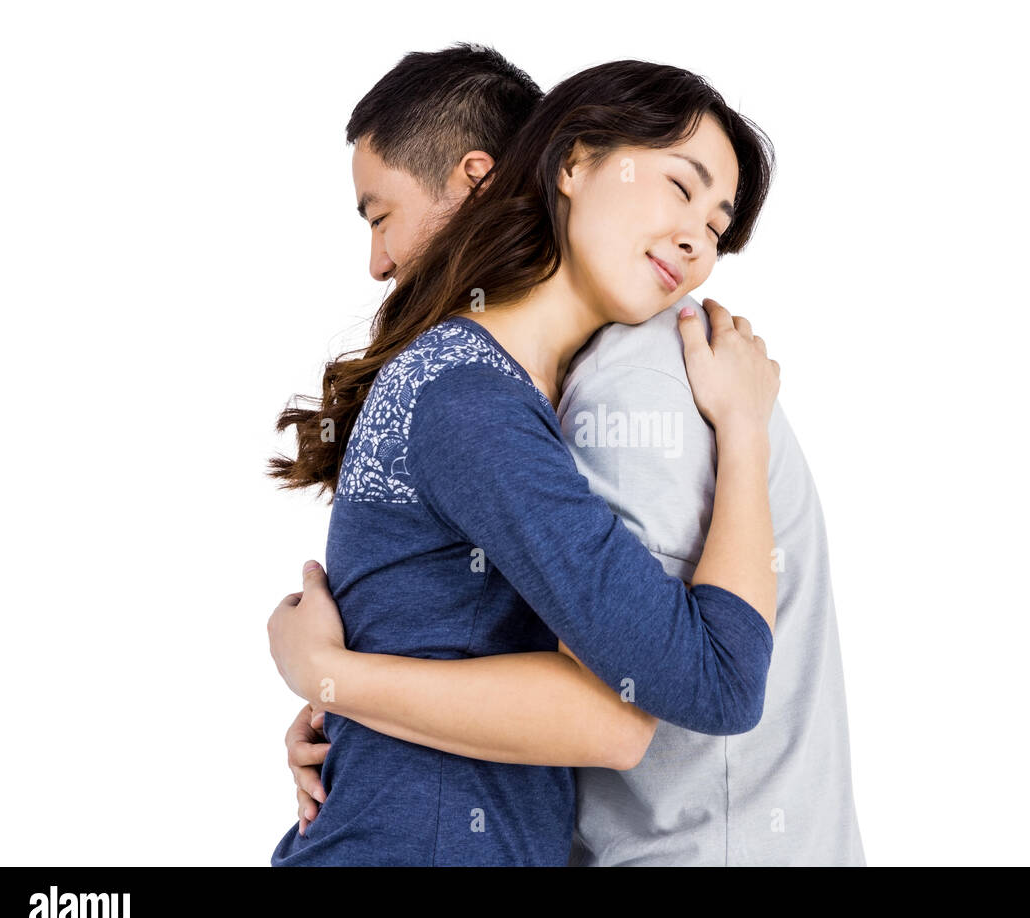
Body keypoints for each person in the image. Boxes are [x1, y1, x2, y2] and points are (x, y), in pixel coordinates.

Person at [271, 44, 866, 866]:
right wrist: (743, 429)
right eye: (679, 189)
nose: (697, 240)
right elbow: (713, 682)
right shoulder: (470, 394)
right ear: (575, 163)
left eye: (717, 227)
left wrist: (335, 681)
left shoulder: (526, 392)